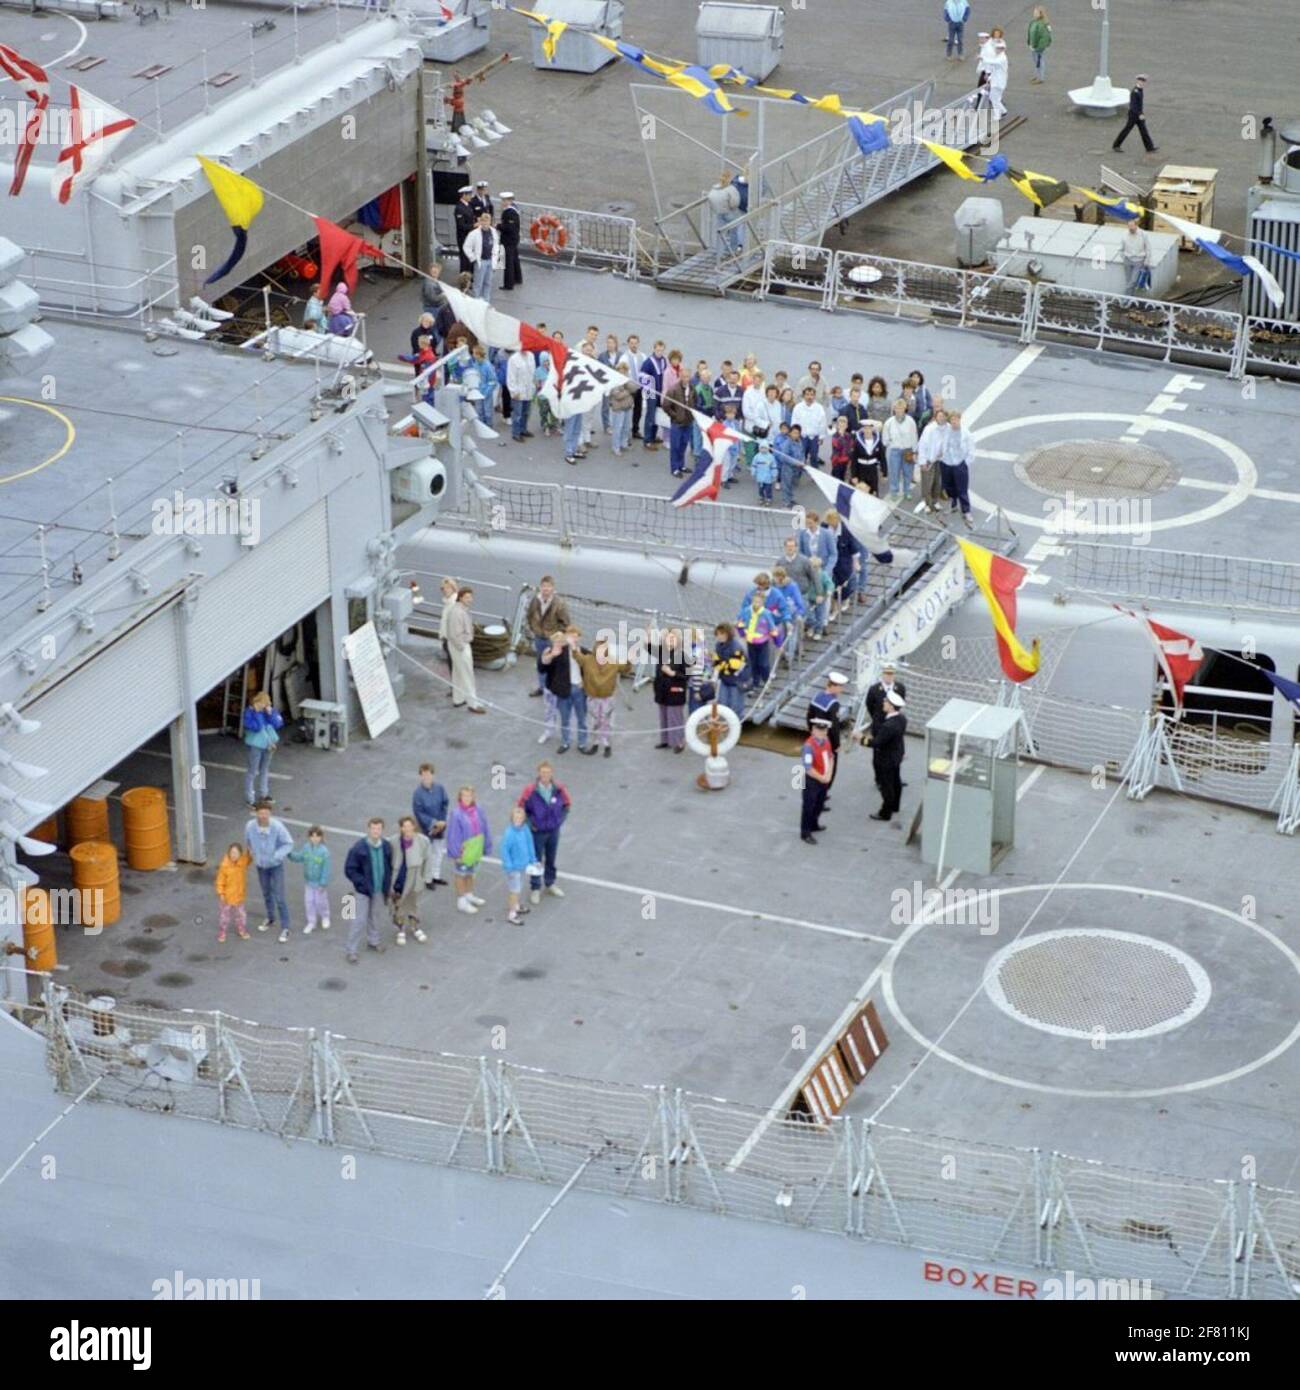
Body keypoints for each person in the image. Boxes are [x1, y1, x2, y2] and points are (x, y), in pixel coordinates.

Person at [518, 762, 569, 903]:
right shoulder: (530, 790)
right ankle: (535, 888)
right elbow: (521, 809)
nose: (545, 775)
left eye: (548, 772)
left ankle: (550, 883)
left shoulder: (559, 789)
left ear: (551, 773)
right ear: (538, 773)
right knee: (536, 860)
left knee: (551, 858)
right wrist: (531, 824)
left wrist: (559, 821)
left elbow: (567, 805)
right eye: (543, 772)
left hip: (553, 831)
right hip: (538, 832)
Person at [541, 626, 596, 755]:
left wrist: (586, 683)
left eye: (575, 636)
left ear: (579, 638)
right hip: (564, 690)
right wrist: (551, 654)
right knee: (565, 719)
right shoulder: (560, 651)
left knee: (582, 719)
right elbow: (545, 663)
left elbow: (592, 669)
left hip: (579, 690)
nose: (573, 638)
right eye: (570, 635)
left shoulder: (584, 652)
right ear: (566, 636)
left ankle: (582, 743)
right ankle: (565, 742)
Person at [343, 818, 392, 961]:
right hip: (363, 890)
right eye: (373, 828)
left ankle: (373, 941)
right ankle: (351, 949)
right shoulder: (359, 848)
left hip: (378, 889)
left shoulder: (386, 846)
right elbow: (350, 869)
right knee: (359, 920)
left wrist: (386, 886)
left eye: (378, 829)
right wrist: (361, 884)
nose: (376, 831)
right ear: (368, 829)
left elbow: (388, 866)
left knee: (375, 917)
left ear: (382, 830)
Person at [245, 800, 293, 942]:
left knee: (279, 897)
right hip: (261, 866)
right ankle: (271, 918)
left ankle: (286, 927)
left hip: (275, 866)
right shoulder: (250, 826)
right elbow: (248, 841)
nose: (263, 815)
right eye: (260, 813)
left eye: (266, 813)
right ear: (256, 813)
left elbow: (289, 843)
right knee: (266, 893)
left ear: (270, 813)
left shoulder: (277, 827)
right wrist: (253, 854)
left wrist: (276, 856)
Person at [575, 634, 628, 757]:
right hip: (592, 697)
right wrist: (573, 646)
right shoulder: (588, 660)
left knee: (607, 723)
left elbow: (625, 668)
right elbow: (578, 657)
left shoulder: (613, 662)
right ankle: (595, 743)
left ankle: (607, 745)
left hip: (607, 698)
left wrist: (629, 659)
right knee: (594, 722)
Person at [446, 786, 491, 915]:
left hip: (476, 847)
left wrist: (486, 845)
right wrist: (456, 853)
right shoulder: (456, 813)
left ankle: (469, 894)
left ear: (473, 796)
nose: (467, 798)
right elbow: (453, 834)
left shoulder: (478, 809)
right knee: (461, 874)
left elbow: (485, 826)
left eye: (469, 795)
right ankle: (461, 900)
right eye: (464, 795)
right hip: (464, 849)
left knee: (471, 872)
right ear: (460, 797)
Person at [389, 816, 433, 945]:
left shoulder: (423, 841)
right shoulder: (393, 841)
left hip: (415, 876)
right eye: (404, 826)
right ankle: (401, 928)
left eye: (409, 825)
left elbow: (428, 859)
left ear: (414, 826)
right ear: (401, 828)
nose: (407, 829)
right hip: (399, 877)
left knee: (413, 903)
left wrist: (426, 877)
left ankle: (415, 927)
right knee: (399, 903)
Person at [807, 671, 849, 804]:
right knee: (828, 769)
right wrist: (836, 745)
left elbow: (809, 717)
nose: (842, 690)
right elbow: (834, 727)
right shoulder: (833, 704)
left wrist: (812, 732)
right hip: (827, 742)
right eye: (841, 686)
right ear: (834, 686)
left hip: (815, 738)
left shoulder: (817, 697)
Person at [526, 576, 570, 697]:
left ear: (553, 588)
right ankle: (542, 687)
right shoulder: (535, 600)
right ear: (540, 587)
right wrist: (533, 629)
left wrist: (557, 636)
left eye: (548, 586)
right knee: (541, 663)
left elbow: (565, 623)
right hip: (539, 638)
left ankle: (553, 688)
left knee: (554, 664)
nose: (546, 589)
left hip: (552, 640)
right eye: (544, 586)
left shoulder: (559, 603)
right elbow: (529, 615)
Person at [241, 691, 284, 809]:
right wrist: (256, 713)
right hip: (256, 745)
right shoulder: (249, 713)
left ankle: (264, 794)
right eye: (263, 704)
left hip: (268, 745)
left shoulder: (267, 710)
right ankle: (250, 799)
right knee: (252, 771)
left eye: (267, 704)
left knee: (264, 769)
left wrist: (270, 714)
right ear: (257, 701)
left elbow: (278, 723)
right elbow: (256, 727)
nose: (265, 706)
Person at [869, 694, 907, 822]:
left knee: (887, 786)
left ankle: (885, 812)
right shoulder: (902, 719)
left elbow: (876, 743)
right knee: (896, 782)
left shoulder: (889, 726)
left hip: (886, 759)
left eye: (885, 702)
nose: (883, 703)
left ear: (891, 706)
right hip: (896, 756)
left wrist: (861, 739)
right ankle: (895, 806)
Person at [287, 826, 332, 936]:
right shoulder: (306, 847)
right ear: (309, 837)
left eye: (317, 836)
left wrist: (323, 883)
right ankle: (311, 922)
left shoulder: (324, 852)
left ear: (321, 837)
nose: (315, 838)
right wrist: (290, 854)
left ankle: (325, 916)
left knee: (320, 902)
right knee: (309, 902)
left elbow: (326, 869)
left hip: (319, 883)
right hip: (309, 882)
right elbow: (300, 857)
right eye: (312, 836)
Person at [447, 585, 485, 712]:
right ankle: (473, 704)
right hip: (461, 645)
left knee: (458, 673)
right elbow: (453, 634)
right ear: (461, 598)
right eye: (467, 597)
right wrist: (462, 647)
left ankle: (458, 699)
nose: (470, 599)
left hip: (459, 645)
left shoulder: (460, 609)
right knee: (468, 674)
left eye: (471, 597)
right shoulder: (457, 612)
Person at [412, 763, 450, 885]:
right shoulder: (418, 793)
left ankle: (436, 875)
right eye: (423, 774)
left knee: (438, 851)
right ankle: (427, 878)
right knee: (428, 853)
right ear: (420, 776)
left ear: (433, 775)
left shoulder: (440, 788)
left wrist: (442, 821)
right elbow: (419, 813)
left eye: (428, 774)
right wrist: (434, 823)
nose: (426, 777)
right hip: (426, 828)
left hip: (440, 826)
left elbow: (445, 804)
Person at [652, 627, 689, 751]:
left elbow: (687, 675)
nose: (670, 641)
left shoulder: (683, 656)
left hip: (675, 692)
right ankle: (666, 740)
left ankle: (679, 742)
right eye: (668, 638)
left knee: (675, 718)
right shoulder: (662, 653)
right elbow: (648, 647)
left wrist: (673, 673)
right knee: (663, 717)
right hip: (662, 691)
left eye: (673, 638)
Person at [500, 806, 537, 925]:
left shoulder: (525, 829)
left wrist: (533, 859)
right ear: (512, 818)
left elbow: (530, 843)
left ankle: (515, 906)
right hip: (514, 868)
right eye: (516, 817)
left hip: (523, 865)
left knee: (518, 887)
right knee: (514, 890)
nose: (518, 820)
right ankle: (512, 914)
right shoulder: (509, 833)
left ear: (523, 819)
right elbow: (504, 850)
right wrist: (509, 866)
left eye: (520, 817)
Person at [800, 717, 834, 845]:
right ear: (813, 730)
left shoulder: (826, 741)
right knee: (809, 806)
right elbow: (808, 768)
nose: (822, 733)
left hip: (824, 779)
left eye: (824, 730)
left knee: (819, 804)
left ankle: (814, 824)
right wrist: (822, 778)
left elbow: (831, 758)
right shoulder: (808, 746)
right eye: (819, 730)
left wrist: (829, 775)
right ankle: (805, 833)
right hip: (812, 781)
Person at [940, 408, 975, 527]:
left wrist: (965, 463)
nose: (954, 422)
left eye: (956, 420)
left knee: (962, 489)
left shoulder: (966, 433)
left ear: (959, 420)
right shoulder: (946, 431)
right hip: (947, 462)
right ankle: (953, 504)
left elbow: (971, 450)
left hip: (960, 464)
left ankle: (966, 510)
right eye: (952, 420)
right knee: (948, 486)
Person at [882, 398, 920, 502]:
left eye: (901, 408)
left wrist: (915, 451)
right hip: (895, 451)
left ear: (905, 408)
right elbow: (885, 438)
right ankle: (894, 491)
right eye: (897, 408)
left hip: (908, 450)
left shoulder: (910, 421)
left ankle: (907, 491)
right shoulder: (889, 422)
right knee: (894, 472)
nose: (899, 410)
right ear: (894, 409)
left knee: (908, 472)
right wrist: (892, 444)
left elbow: (914, 436)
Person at [214, 843, 252, 944]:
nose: (233, 855)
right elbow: (220, 881)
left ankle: (241, 929)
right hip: (227, 897)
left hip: (239, 896)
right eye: (232, 853)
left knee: (241, 915)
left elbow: (249, 859)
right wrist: (221, 893)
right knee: (224, 916)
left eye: (236, 853)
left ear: (240, 854)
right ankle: (222, 931)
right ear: (228, 853)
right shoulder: (224, 866)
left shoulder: (243, 862)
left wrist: (249, 850)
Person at [740, 591, 776, 689]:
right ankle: (755, 683)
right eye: (754, 602)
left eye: (758, 602)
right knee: (753, 663)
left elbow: (772, 628)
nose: (756, 604)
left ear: (763, 603)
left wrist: (778, 643)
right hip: (750, 641)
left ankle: (766, 681)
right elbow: (741, 623)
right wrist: (742, 634)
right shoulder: (747, 611)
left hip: (762, 642)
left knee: (763, 664)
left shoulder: (766, 614)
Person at [917, 406, 950, 514]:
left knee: (937, 482)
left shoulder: (948, 428)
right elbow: (922, 445)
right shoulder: (929, 429)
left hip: (940, 460)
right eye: (939, 416)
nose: (941, 418)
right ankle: (927, 503)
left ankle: (935, 501)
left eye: (943, 416)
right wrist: (922, 462)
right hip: (928, 460)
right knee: (927, 482)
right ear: (936, 417)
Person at [463, 211, 502, 303]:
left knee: (488, 283)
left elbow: (496, 246)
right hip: (481, 261)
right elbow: (466, 246)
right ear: (480, 222)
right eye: (483, 221)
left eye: (487, 221)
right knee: (478, 284)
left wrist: (495, 261)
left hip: (490, 261)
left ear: (490, 222)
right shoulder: (474, 233)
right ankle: (476, 303)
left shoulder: (493, 232)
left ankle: (486, 303)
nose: (485, 223)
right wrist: (473, 258)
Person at [1112, 75, 1157, 154]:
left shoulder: (1140, 90)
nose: (1142, 83)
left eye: (1143, 82)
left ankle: (1150, 147)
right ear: (1137, 81)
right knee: (1126, 130)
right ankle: (1116, 145)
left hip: (1139, 115)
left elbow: (1139, 104)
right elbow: (1133, 105)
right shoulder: (1135, 92)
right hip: (1134, 115)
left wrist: (1141, 113)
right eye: (1141, 81)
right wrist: (1140, 114)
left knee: (1144, 131)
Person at [663, 370, 694, 478]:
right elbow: (665, 405)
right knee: (675, 446)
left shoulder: (692, 388)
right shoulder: (673, 389)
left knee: (684, 444)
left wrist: (692, 413)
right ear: (680, 377)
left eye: (688, 376)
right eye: (684, 376)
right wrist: (674, 415)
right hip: (677, 423)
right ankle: (674, 468)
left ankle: (681, 465)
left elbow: (695, 401)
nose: (686, 379)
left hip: (688, 421)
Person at [712, 622, 747, 716]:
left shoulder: (736, 647)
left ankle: (737, 726)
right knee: (722, 703)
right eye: (718, 634)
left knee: (735, 706)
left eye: (722, 633)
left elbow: (733, 667)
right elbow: (716, 662)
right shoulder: (718, 645)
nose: (719, 636)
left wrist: (721, 665)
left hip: (737, 681)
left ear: (728, 633)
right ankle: (725, 725)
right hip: (725, 679)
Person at [866, 662, 909, 739]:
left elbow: (899, 704)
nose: (889, 676)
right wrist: (876, 716)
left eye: (891, 674)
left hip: (894, 725)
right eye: (887, 673)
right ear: (882, 674)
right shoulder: (874, 689)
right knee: (878, 747)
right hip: (879, 724)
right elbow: (869, 705)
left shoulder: (900, 688)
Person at [639, 341, 668, 451]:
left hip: (660, 392)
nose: (659, 352)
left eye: (661, 350)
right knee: (650, 416)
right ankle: (647, 440)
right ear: (654, 349)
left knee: (657, 415)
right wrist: (648, 392)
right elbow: (642, 378)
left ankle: (653, 436)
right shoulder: (648, 362)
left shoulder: (664, 360)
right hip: (651, 393)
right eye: (658, 350)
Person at [618, 334, 646, 440]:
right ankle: (625, 432)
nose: (634, 345)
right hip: (629, 388)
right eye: (631, 343)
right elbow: (621, 373)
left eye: (635, 343)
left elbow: (645, 372)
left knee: (638, 410)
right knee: (627, 410)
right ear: (628, 344)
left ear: (638, 343)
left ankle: (635, 430)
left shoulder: (642, 356)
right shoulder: (624, 357)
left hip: (639, 388)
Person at [792, 386, 828, 469]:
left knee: (814, 456)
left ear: (814, 396)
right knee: (801, 455)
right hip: (802, 436)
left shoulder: (819, 408)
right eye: (807, 394)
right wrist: (794, 435)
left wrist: (821, 437)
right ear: (803, 396)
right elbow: (794, 422)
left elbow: (823, 423)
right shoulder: (798, 407)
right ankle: (798, 472)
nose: (809, 397)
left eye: (811, 395)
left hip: (814, 437)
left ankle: (815, 474)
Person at [708, 169, 742, 253]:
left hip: (718, 212)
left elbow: (710, 199)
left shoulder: (714, 188)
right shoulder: (731, 189)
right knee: (734, 231)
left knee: (720, 232)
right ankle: (733, 250)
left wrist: (715, 208)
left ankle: (719, 251)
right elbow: (735, 203)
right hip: (729, 212)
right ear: (729, 179)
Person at [507, 344, 536, 440]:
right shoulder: (513, 359)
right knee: (517, 414)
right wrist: (513, 391)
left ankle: (523, 429)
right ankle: (516, 433)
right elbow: (511, 377)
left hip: (528, 389)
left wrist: (533, 386)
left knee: (526, 412)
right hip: (518, 391)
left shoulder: (531, 356)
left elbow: (533, 372)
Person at [851, 417, 885, 495]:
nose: (867, 431)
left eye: (869, 428)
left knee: (873, 492)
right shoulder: (858, 442)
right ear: (862, 430)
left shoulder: (878, 441)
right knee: (861, 494)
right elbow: (854, 459)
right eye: (865, 428)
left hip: (872, 469)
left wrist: (884, 472)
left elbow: (882, 457)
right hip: (861, 470)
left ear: (872, 429)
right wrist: (854, 475)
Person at [496, 191, 523, 290]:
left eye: (505, 200)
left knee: (508, 262)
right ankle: (517, 278)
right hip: (513, 239)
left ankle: (508, 284)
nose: (503, 202)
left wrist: (498, 226)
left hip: (509, 240)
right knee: (515, 259)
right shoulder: (514, 209)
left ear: (510, 201)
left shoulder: (510, 212)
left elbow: (509, 228)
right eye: (502, 200)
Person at [775, 422, 803, 507]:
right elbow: (784, 457)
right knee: (786, 485)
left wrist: (802, 461)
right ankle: (786, 502)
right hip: (788, 468)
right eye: (794, 433)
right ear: (790, 433)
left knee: (792, 485)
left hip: (797, 469)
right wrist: (795, 462)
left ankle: (791, 499)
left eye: (798, 433)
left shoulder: (799, 442)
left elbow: (802, 453)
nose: (796, 435)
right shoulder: (787, 443)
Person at [806, 556, 834, 638]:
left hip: (820, 599)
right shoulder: (807, 575)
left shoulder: (823, 575)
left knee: (820, 615)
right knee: (809, 615)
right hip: (809, 598)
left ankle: (818, 631)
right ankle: (812, 627)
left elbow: (830, 584)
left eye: (814, 567)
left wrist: (829, 591)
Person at [436, 576, 458, 677]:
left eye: (446, 588)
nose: (444, 591)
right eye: (443, 588)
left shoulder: (453, 603)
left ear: (453, 588)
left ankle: (456, 689)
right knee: (452, 665)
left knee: (454, 665)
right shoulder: (449, 602)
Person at [1121, 223, 1151, 294]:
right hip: (1127, 259)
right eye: (1129, 227)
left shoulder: (1144, 234)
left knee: (1133, 281)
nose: (1131, 229)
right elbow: (1121, 248)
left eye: (1132, 227)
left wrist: (1147, 260)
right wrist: (1124, 257)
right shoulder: (1125, 234)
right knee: (1128, 281)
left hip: (1139, 260)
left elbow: (1148, 248)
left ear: (1136, 226)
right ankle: (1130, 298)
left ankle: (1125, 297)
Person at [608, 376, 635, 456]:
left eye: (625, 371)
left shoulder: (627, 380)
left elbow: (634, 388)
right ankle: (615, 447)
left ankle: (624, 443)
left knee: (626, 427)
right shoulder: (614, 382)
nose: (624, 373)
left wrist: (627, 385)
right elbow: (617, 396)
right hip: (618, 408)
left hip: (628, 406)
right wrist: (627, 391)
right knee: (617, 428)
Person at [453, 186, 476, 273]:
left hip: (470, 236)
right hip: (463, 237)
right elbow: (461, 225)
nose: (471, 196)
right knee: (464, 259)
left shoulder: (468, 206)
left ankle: (470, 276)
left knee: (470, 258)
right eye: (469, 195)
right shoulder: (459, 208)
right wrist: (474, 225)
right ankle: (464, 279)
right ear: (463, 195)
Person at [1027, 7, 1052, 83]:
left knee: (1039, 62)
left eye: (1036, 12)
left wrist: (1039, 47)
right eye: (1034, 12)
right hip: (1033, 46)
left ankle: (1040, 78)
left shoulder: (1042, 24)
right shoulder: (1033, 22)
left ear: (1040, 14)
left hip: (1038, 47)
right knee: (1036, 61)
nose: (1034, 14)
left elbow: (1044, 38)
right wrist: (1030, 43)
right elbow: (1030, 33)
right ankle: (1038, 76)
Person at [751, 434, 777, 504]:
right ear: (759, 448)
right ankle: (761, 497)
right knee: (760, 489)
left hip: (768, 477)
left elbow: (773, 466)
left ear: (768, 448)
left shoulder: (771, 457)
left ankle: (769, 498)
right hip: (760, 477)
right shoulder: (757, 457)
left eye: (765, 448)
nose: (763, 449)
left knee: (768, 489)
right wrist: (753, 471)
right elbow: (754, 465)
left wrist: (774, 474)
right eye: (762, 448)